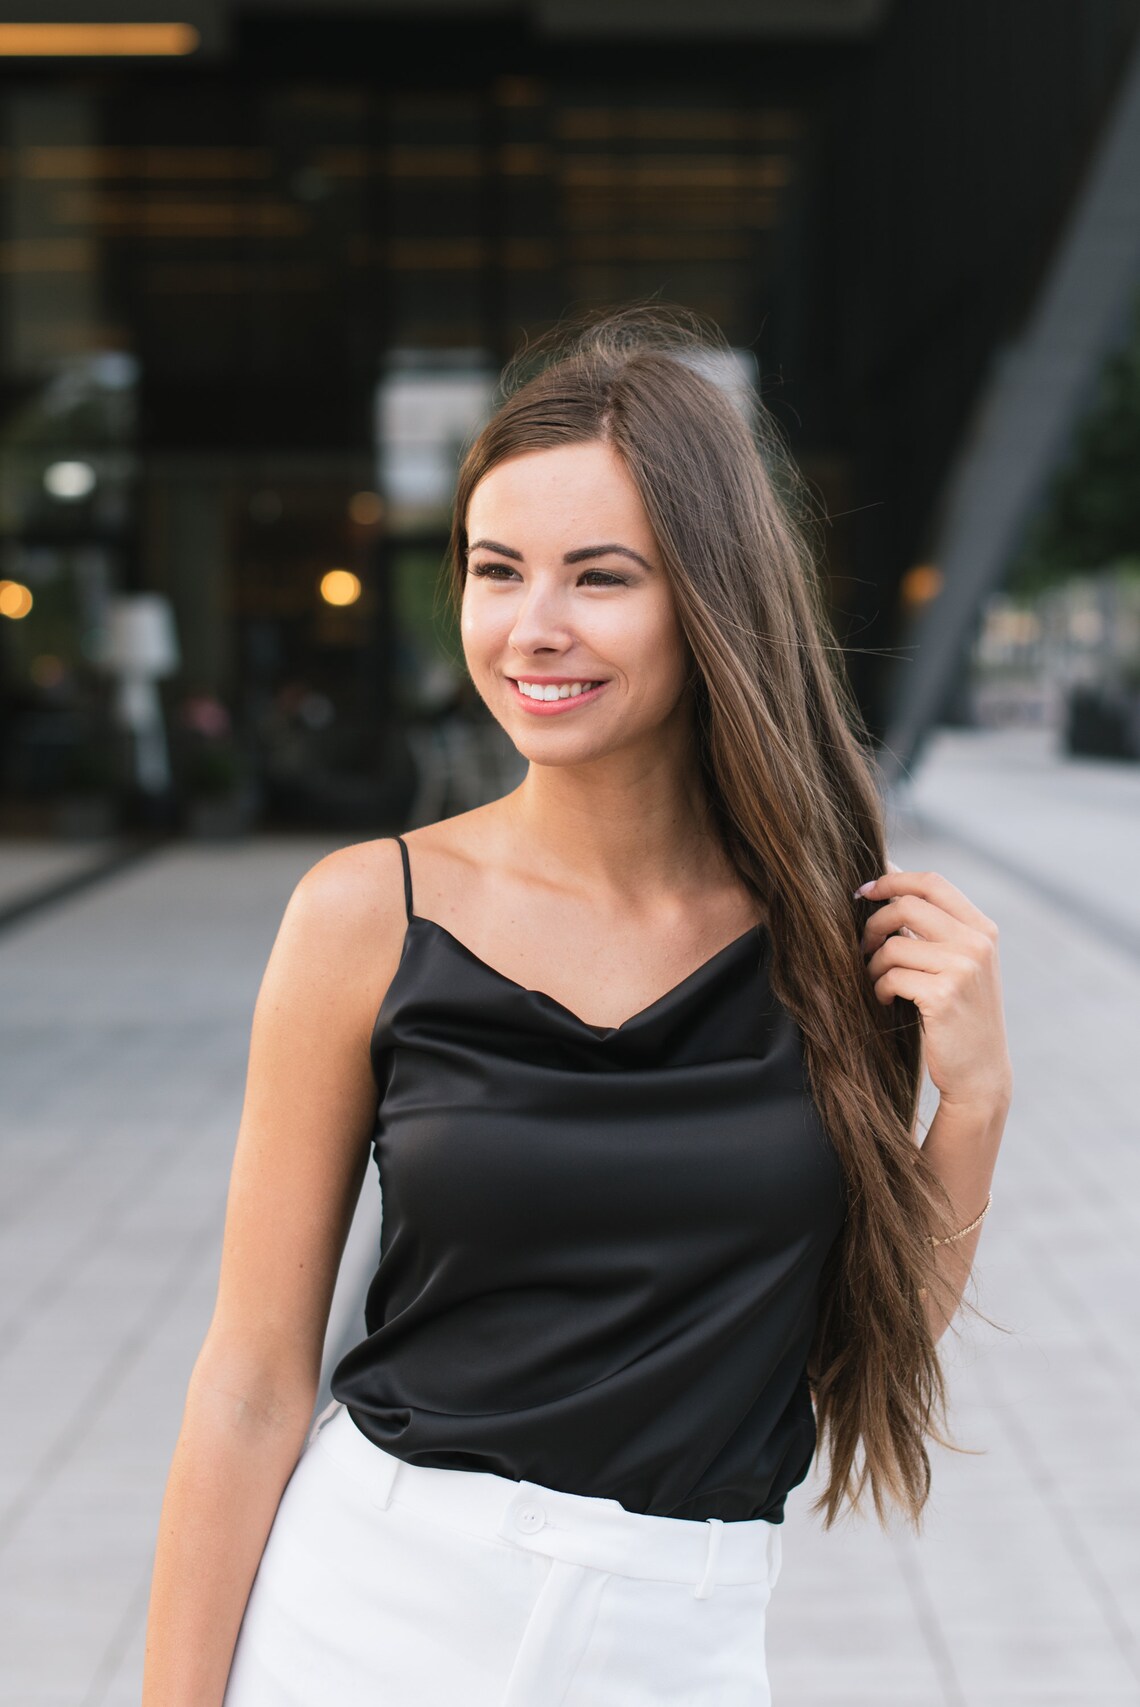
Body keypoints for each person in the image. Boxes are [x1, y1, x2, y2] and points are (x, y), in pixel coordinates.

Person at [142, 307, 1013, 1706]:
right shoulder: (369, 915)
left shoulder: (834, 938)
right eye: (498, 570)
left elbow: (859, 1359)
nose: (532, 628)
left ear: (709, 599)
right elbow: (249, 1380)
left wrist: (973, 1099)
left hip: (679, 1642)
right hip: (365, 1619)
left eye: (599, 577)